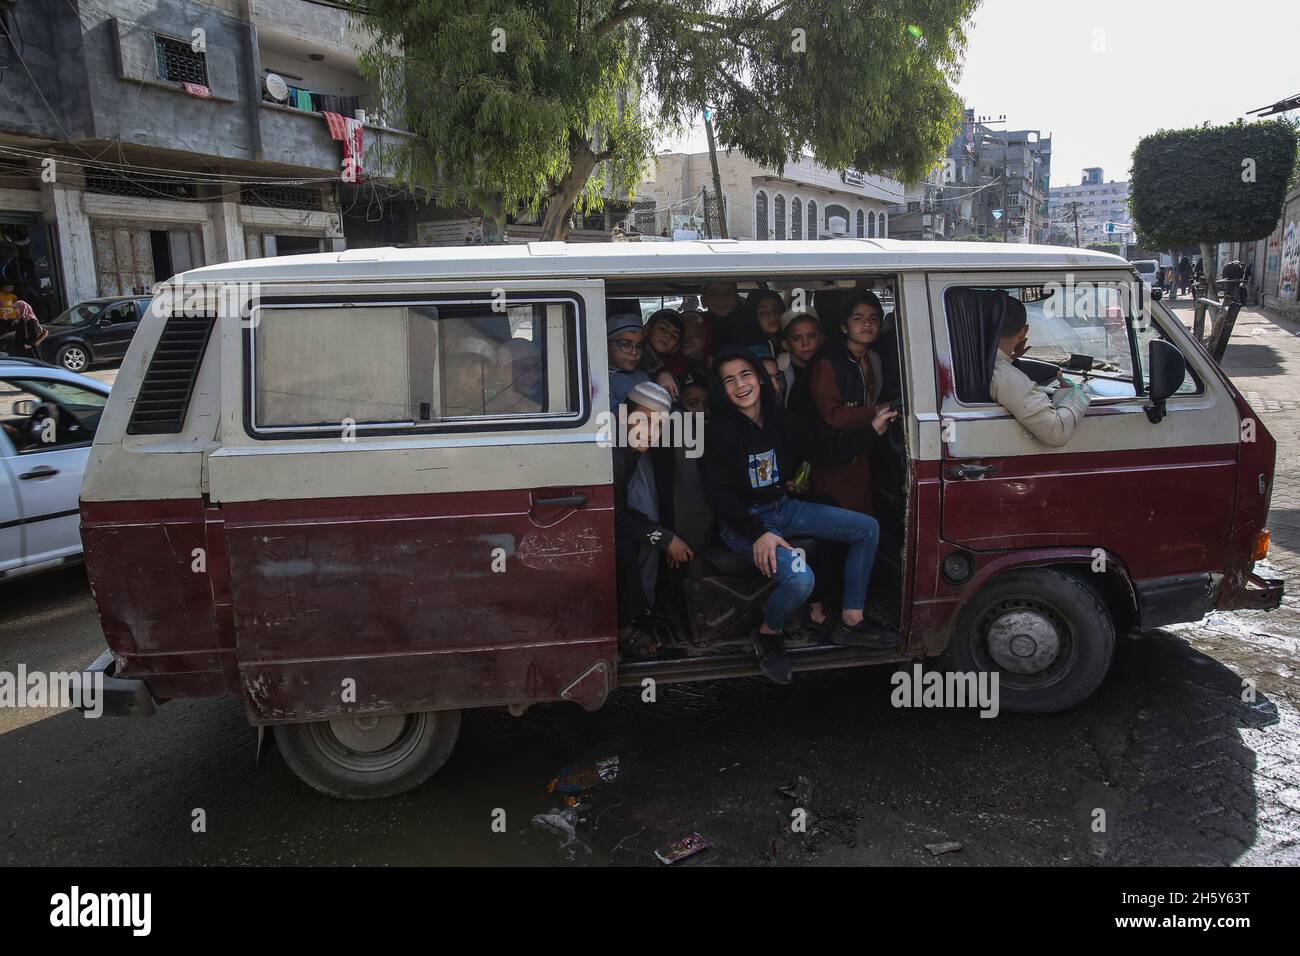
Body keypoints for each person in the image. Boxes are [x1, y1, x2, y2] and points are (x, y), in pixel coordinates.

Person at [703, 346, 899, 685]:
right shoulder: (719, 430)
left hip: (784, 508)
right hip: (746, 523)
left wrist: (873, 428)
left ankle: (852, 620)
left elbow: (826, 452)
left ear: (762, 380)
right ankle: (768, 632)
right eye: (729, 380)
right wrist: (758, 534)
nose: (740, 385)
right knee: (800, 580)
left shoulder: (782, 420)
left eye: (746, 375)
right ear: (722, 390)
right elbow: (719, 495)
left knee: (866, 528)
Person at [613, 381, 693, 658]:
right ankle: (622, 629)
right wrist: (665, 538)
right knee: (624, 546)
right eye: (643, 421)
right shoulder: (614, 453)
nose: (652, 432)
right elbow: (614, 518)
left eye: (659, 425)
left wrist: (658, 533)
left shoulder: (628, 448)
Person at [808, 291, 886, 515]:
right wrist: (876, 412)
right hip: (833, 454)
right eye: (858, 318)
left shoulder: (873, 359)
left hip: (862, 448)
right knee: (841, 516)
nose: (866, 324)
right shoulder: (828, 362)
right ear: (844, 327)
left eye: (873, 319)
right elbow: (832, 415)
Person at [990, 294, 1090, 447]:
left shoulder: (979, 363)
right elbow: (1057, 431)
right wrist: (1076, 395)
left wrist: (1010, 358)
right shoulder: (1004, 374)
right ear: (1024, 332)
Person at [777, 312, 822, 422]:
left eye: (811, 336)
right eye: (797, 338)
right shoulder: (779, 372)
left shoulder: (827, 368)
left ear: (821, 340)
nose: (805, 343)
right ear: (786, 345)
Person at [701, 281, 765, 350]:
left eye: (728, 293)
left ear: (737, 298)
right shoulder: (699, 324)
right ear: (703, 301)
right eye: (714, 294)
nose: (722, 299)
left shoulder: (751, 324)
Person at [606, 313, 651, 407]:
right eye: (625, 345)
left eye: (639, 346)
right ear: (607, 345)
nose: (634, 352)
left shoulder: (642, 376)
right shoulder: (603, 382)